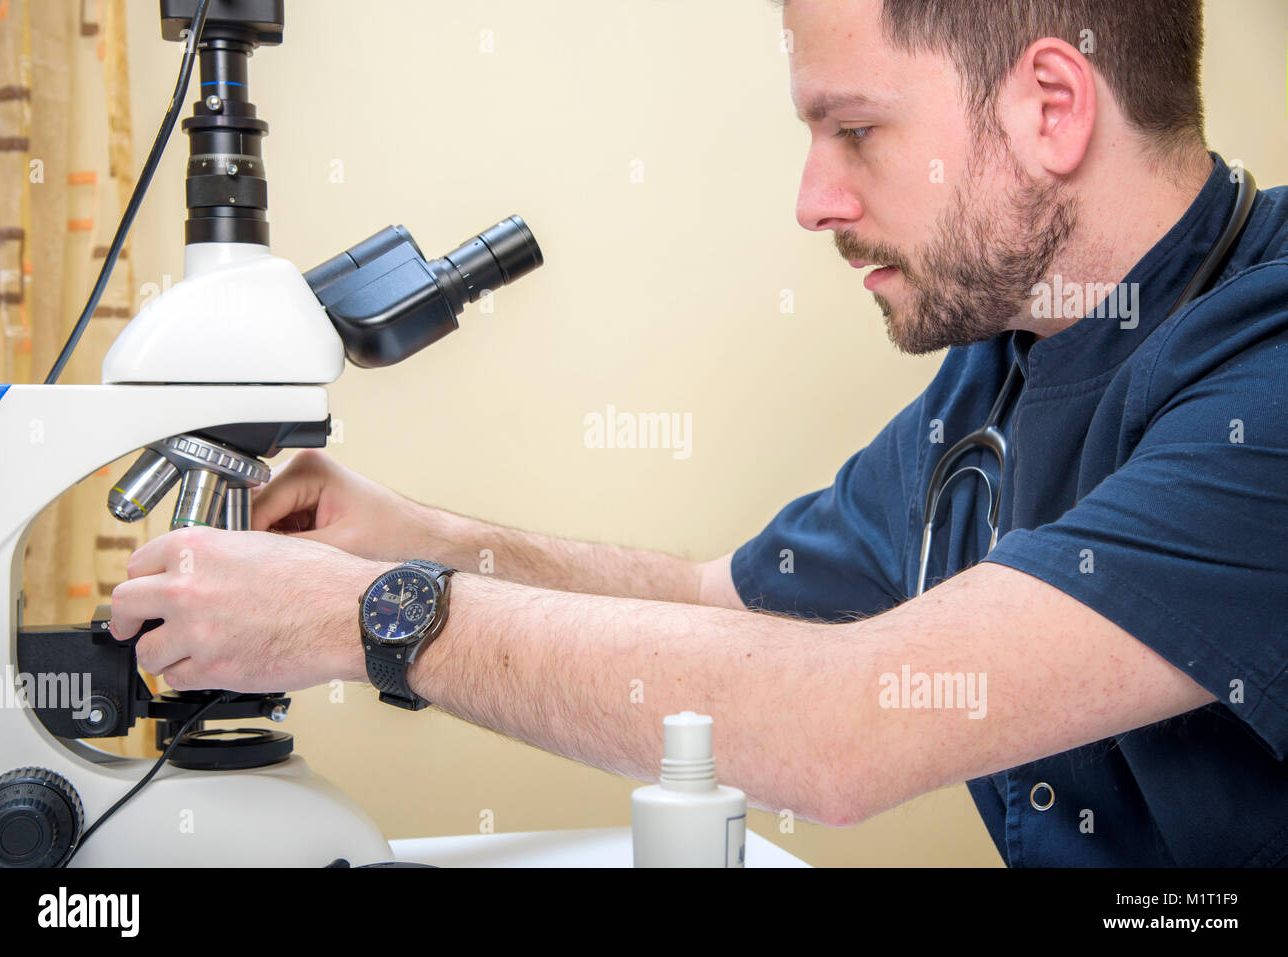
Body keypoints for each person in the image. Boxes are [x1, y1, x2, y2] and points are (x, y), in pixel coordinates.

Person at [109, 0, 1288, 866]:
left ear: (1050, 106)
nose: (812, 199)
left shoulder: (1267, 377)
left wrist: (359, 620)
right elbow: (734, 607)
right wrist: (407, 542)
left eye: (856, 131)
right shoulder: (1007, 368)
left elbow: (851, 723)